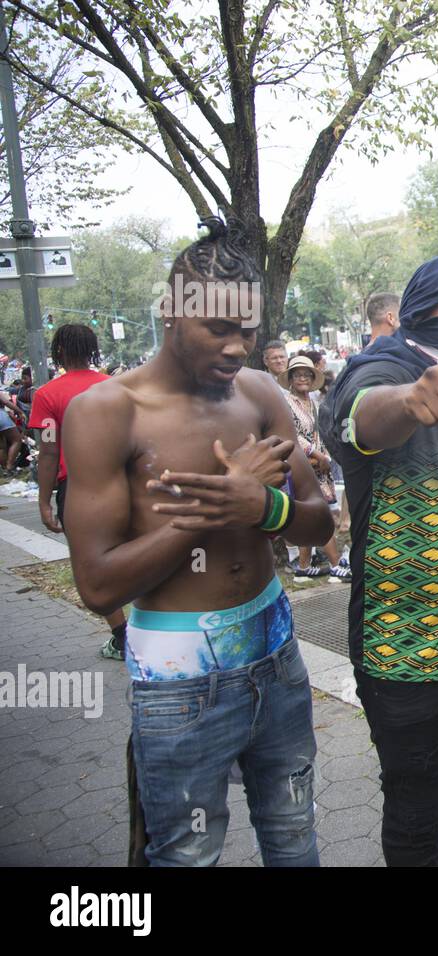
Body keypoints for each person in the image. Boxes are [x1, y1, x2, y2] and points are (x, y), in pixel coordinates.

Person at [60, 217, 334, 866]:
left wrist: (264, 506)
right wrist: (212, 511)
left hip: (275, 652)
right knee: (185, 854)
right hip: (178, 677)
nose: (238, 346)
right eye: (219, 328)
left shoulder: (259, 392)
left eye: (248, 330)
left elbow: (319, 522)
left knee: (295, 838)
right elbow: (98, 583)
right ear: (170, 315)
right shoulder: (107, 413)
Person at [320, 255, 438, 867]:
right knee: (414, 816)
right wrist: (411, 401)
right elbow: (361, 416)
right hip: (401, 653)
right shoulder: (381, 366)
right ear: (414, 314)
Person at [27, 324, 128, 658]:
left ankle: (122, 636)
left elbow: (50, 452)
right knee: (132, 553)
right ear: (93, 350)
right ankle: (147, 628)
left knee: (90, 564)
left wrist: (44, 501)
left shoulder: (47, 395)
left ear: (58, 352)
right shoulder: (114, 386)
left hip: (78, 490)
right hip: (122, 483)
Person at [278, 354, 349, 583]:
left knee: (309, 515)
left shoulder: (314, 403)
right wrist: (316, 454)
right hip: (301, 466)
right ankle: (337, 564)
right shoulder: (286, 403)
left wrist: (325, 456)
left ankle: (303, 567)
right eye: (297, 375)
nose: (302, 379)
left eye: (306, 375)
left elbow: (320, 434)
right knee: (323, 515)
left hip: (320, 468)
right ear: (290, 378)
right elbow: (291, 434)